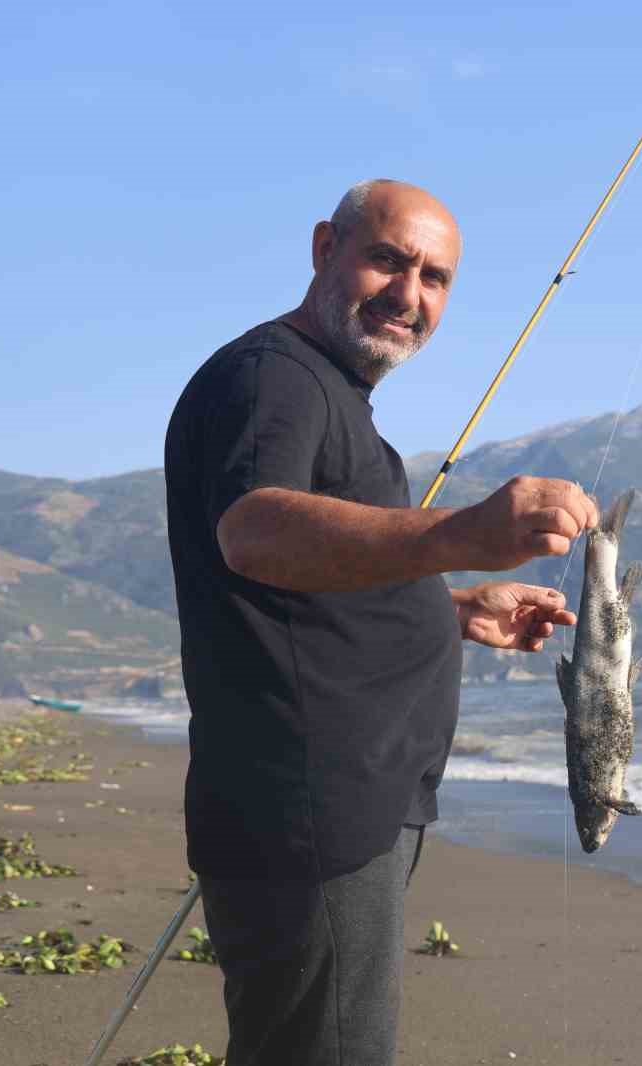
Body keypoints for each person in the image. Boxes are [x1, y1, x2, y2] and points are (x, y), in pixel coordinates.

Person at [162, 178, 598, 1066]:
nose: (409, 295)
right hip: (315, 808)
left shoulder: (324, 392)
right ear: (325, 248)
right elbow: (254, 530)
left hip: (343, 807)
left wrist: (447, 607)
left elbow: (300, 578)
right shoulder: (273, 377)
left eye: (434, 277)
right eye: (387, 260)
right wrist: (468, 531)